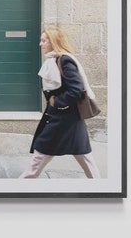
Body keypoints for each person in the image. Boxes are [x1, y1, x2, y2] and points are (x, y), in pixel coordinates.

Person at [20, 26, 99, 179]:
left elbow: (76, 89)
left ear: (53, 42)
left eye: (44, 40)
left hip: (62, 119)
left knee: (41, 155)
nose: (40, 44)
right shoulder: (53, 60)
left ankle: (16, 190)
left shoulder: (64, 60)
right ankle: (100, 187)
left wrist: (56, 102)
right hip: (65, 118)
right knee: (83, 155)